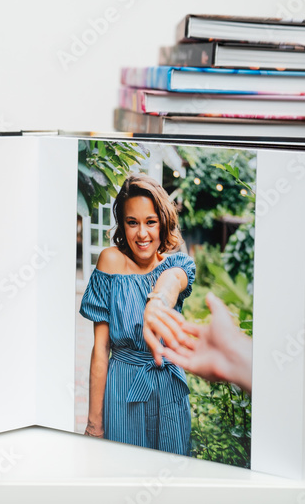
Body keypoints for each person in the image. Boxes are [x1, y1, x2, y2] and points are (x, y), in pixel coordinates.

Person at [79, 173, 195, 455]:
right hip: (123, 389)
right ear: (123, 225)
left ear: (163, 222)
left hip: (168, 386)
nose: (142, 234)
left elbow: (172, 282)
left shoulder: (176, 264)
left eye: (150, 222)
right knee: (122, 473)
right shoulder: (111, 261)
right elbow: (101, 349)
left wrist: (157, 301)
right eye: (132, 223)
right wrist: (94, 423)